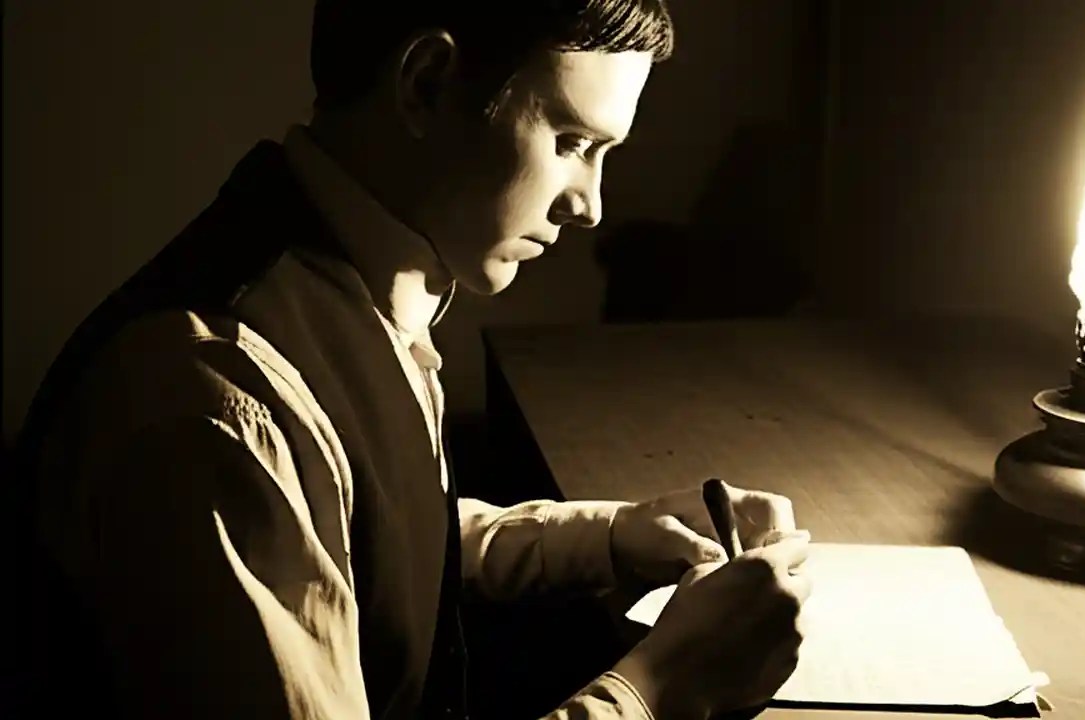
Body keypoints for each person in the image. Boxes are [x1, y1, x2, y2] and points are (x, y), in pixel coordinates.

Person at [10, 2, 812, 719]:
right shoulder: (219, 403)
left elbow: (362, 533)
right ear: (426, 84)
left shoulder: (354, 277)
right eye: (571, 142)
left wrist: (608, 535)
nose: (590, 205)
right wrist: (662, 688)